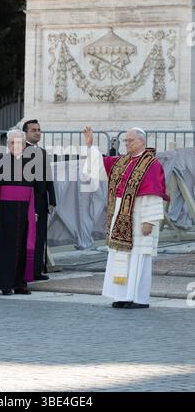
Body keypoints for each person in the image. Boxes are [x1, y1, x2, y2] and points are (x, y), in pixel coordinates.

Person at [83, 126, 169, 309]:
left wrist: (150, 220)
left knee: (138, 257)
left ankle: (138, 298)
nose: (127, 143)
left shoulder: (151, 164)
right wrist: (91, 146)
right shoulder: (122, 161)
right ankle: (121, 295)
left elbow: (154, 193)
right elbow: (99, 165)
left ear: (141, 141)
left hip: (139, 217)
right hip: (120, 215)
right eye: (126, 140)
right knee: (120, 256)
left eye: (130, 140)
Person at [0, 129, 41, 295]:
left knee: (22, 246)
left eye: (19, 142)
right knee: (6, 248)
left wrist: (33, 210)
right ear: (8, 145)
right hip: (5, 211)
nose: (16, 145)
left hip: (25, 211)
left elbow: (35, 190)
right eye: (13, 142)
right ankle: (5, 283)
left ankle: (20, 283)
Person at [22, 119, 56, 280]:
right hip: (27, 200)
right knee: (27, 236)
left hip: (42, 202)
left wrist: (52, 200)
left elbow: (49, 177)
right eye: (34, 130)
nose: (37, 132)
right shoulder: (21, 151)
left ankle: (36, 270)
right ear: (26, 133)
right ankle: (25, 271)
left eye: (39, 130)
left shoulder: (42, 152)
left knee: (40, 236)